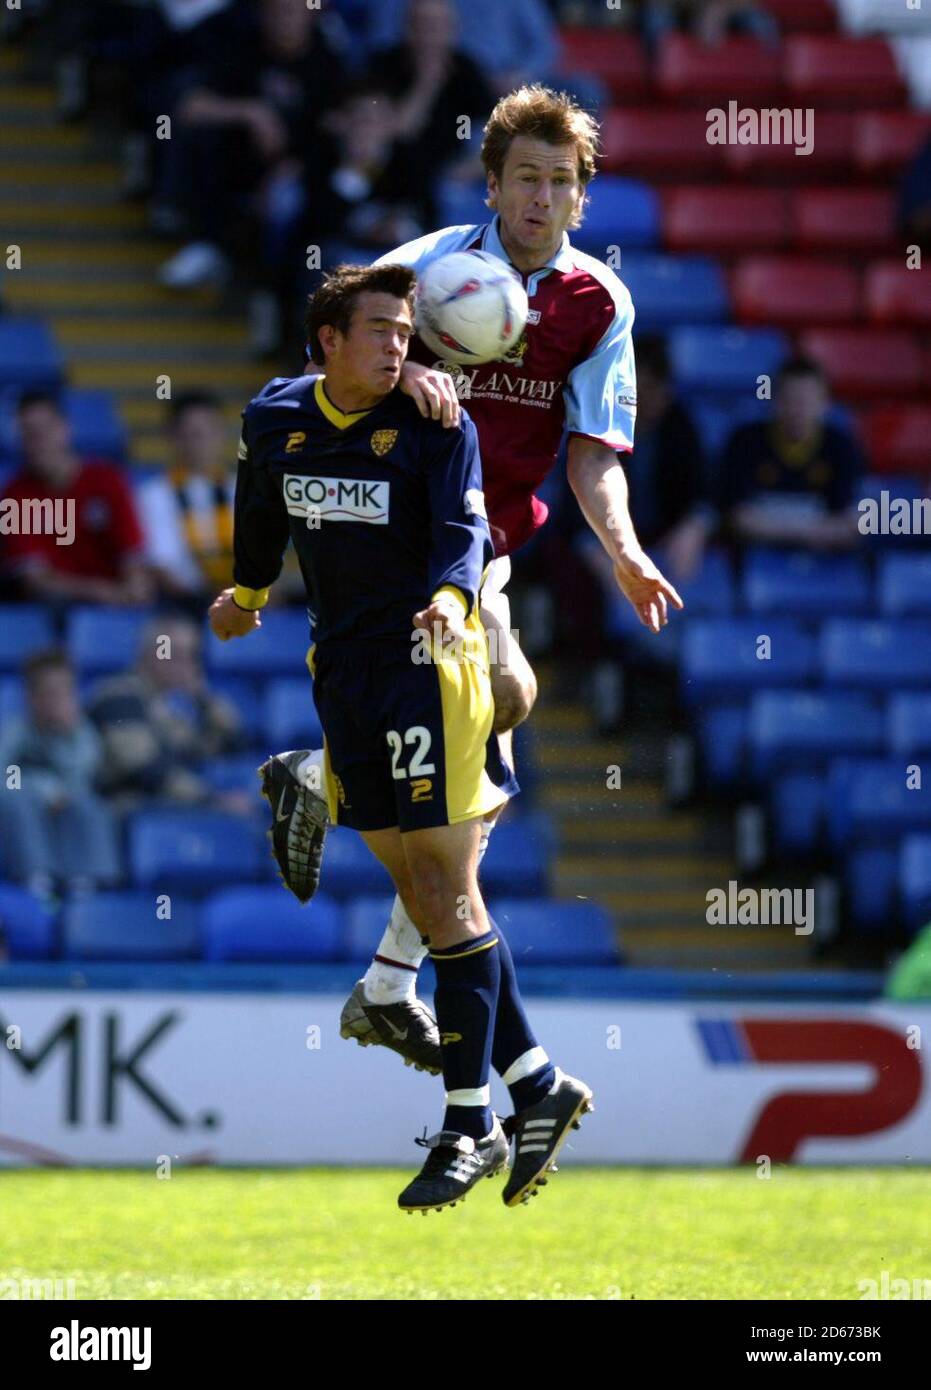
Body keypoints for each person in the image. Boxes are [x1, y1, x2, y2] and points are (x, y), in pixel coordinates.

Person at [264, 84, 682, 1064]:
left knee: (503, 709)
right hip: (398, 521)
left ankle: (324, 797)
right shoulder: (427, 268)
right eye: (525, 178)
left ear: (582, 199)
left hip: (482, 536)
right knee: (493, 700)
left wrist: (623, 552)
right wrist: (396, 370)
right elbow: (328, 337)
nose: (542, 197)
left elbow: (590, 455)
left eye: (561, 182)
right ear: (490, 185)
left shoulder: (598, 303)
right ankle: (419, 998)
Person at [208, 263, 593, 1211]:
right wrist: (247, 593)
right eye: (379, 329)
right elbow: (259, 513)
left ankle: (469, 1126)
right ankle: (535, 1082)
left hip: (434, 668)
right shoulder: (276, 420)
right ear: (327, 342)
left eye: (405, 330)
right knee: (427, 894)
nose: (398, 347)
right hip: (342, 675)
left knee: (446, 889)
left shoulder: (433, 422)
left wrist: (449, 602)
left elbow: (463, 530)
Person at [1, 391, 153, 607]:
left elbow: (133, 556)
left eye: (45, 430)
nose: (39, 441)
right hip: (54, 611)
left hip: (118, 606)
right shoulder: (15, 496)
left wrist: (134, 590)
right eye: (29, 434)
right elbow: (35, 582)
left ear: (65, 428)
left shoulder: (108, 480)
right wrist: (100, 592)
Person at [89, 613, 245, 810]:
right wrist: (211, 799)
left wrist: (204, 697)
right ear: (152, 653)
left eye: (191, 655)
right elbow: (144, 768)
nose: (187, 664)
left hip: (163, 804)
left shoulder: (172, 711)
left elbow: (233, 743)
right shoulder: (118, 695)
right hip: (119, 807)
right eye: (175, 653)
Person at [0, 649, 121, 899]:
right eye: (50, 693)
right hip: (27, 808)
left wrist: (67, 736)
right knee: (15, 798)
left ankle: (86, 885)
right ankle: (37, 881)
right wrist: (44, 790)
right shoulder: (15, 731)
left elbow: (82, 777)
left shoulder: (82, 733)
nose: (58, 700)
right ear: (31, 698)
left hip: (70, 806)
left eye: (65, 692)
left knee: (90, 805)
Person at [716, 356, 864, 554]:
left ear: (825, 403)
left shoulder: (842, 447)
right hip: (755, 560)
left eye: (807, 400)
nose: (799, 410)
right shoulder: (745, 442)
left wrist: (771, 527)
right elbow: (737, 519)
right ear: (774, 401)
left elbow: (849, 525)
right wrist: (811, 531)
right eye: (790, 400)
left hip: (823, 563)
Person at [136, 391, 237, 604]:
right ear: (172, 437)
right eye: (190, 433)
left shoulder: (245, 490)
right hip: (185, 603)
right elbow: (163, 567)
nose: (200, 441)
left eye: (207, 431)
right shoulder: (153, 495)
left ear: (221, 434)